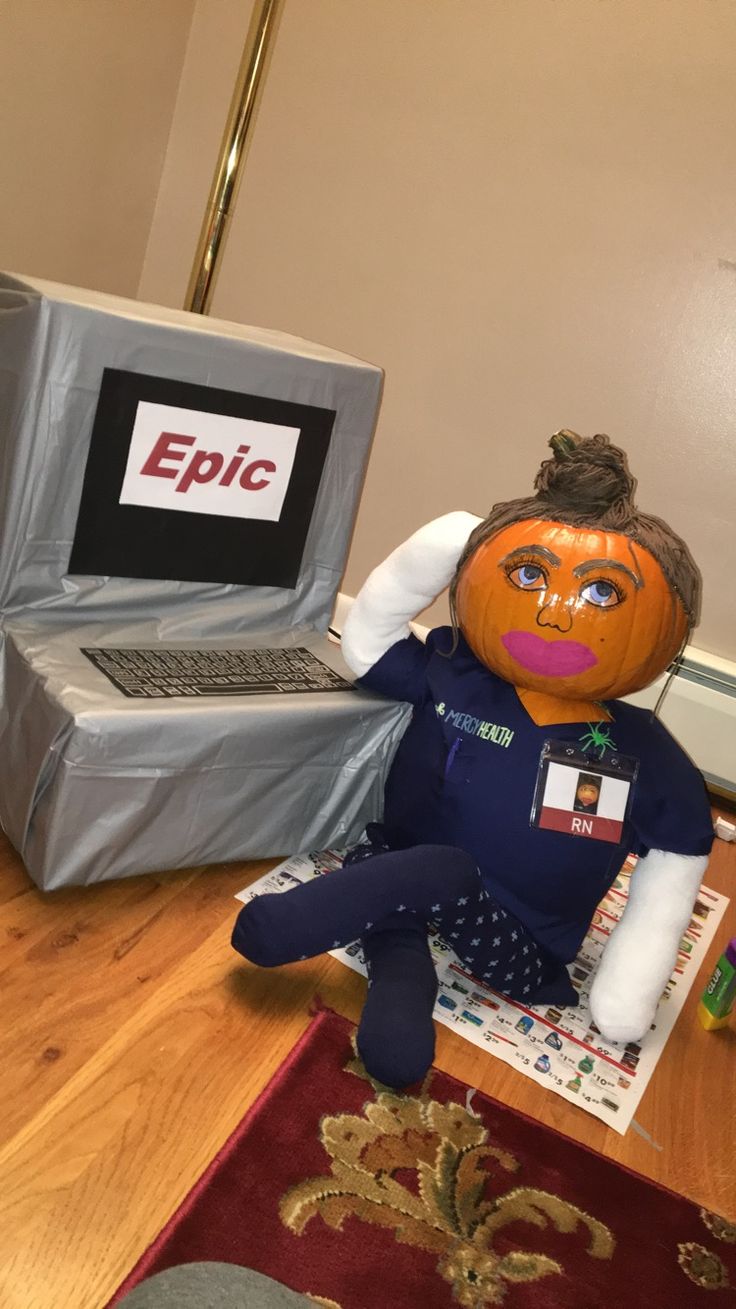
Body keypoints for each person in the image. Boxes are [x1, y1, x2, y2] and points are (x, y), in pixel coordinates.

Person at [233, 432, 713, 1088]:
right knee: (399, 879)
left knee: (438, 869)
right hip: (397, 872)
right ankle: (401, 990)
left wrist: (624, 994)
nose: (553, 612)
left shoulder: (642, 750)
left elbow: (681, 852)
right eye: (526, 575)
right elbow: (369, 646)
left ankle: (299, 925)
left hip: (518, 939)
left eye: (602, 593)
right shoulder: (455, 672)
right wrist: (448, 544)